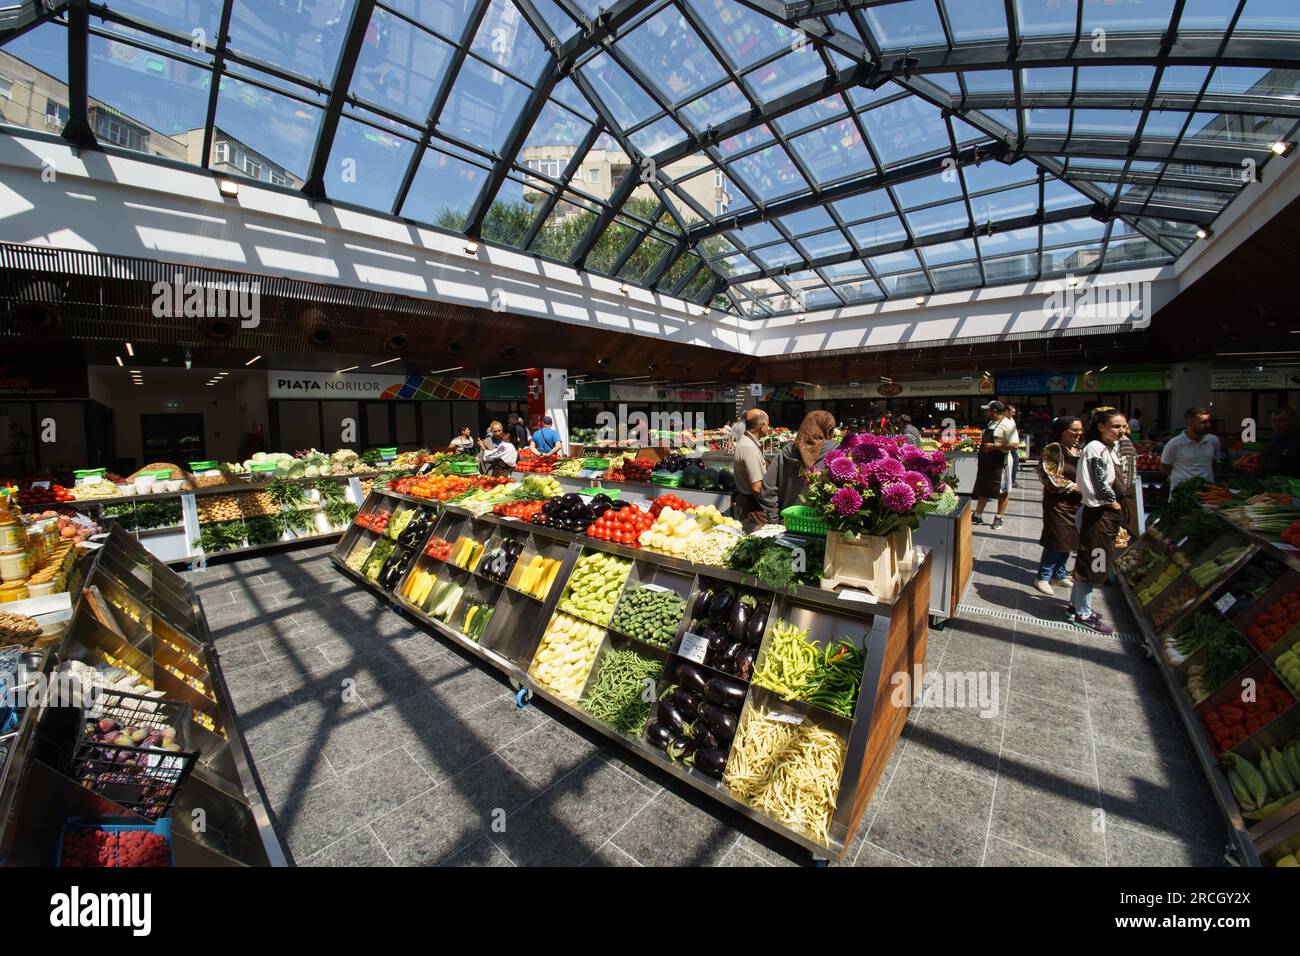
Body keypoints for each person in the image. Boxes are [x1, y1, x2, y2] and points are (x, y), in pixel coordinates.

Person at [1069, 409, 1127, 635]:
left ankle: (1077, 606)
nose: (1121, 431)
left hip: (1102, 514)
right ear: (1101, 426)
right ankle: (1084, 613)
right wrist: (1113, 504)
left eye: (1123, 426)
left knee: (1092, 560)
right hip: (1097, 513)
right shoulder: (1094, 448)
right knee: (1092, 562)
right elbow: (1095, 481)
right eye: (1115, 426)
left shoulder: (1108, 447)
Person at [1035, 416, 1084, 595]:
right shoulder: (1053, 449)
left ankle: (1059, 573)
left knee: (1070, 538)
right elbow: (1048, 474)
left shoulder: (1078, 449)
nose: (1078, 434)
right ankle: (1043, 576)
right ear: (1062, 430)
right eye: (1074, 430)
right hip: (1058, 502)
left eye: (1080, 430)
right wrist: (1072, 486)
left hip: (1076, 502)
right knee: (1056, 538)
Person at [761, 410, 837, 520]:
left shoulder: (785, 453)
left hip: (787, 524)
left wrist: (774, 520)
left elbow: (767, 489)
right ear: (829, 431)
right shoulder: (837, 454)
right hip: (822, 527)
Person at [971, 401, 1019, 529]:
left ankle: (999, 518)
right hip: (988, 461)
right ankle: (978, 514)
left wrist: (995, 446)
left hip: (1001, 462)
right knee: (984, 487)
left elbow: (1015, 445)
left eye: (988, 410)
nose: (986, 412)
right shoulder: (991, 422)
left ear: (994, 411)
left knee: (1002, 490)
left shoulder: (1008, 424)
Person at [1160, 407, 1221, 491]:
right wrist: (1180, 477)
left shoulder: (1213, 441)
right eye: (1204, 422)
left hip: (1207, 493)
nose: (1208, 425)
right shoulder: (1174, 443)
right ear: (1190, 423)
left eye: (1209, 421)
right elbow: (1164, 467)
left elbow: (1214, 463)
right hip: (1181, 494)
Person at [732, 408, 770, 531]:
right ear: (762, 425)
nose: (768, 428)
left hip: (748, 503)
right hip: (754, 507)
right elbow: (756, 487)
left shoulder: (746, 442)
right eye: (768, 424)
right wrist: (771, 506)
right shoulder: (749, 448)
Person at [1261, 407, 1300, 477]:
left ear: (1294, 422)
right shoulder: (1275, 437)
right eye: (1273, 421)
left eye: (1282, 421)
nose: (1277, 425)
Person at [1005, 404, 1022, 488]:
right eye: (1012, 412)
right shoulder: (1004, 420)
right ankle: (1011, 480)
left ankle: (1012, 480)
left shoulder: (1011, 419)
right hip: (1008, 445)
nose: (1014, 414)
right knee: (1014, 461)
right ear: (1007, 412)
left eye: (1015, 412)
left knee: (1015, 462)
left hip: (1013, 445)